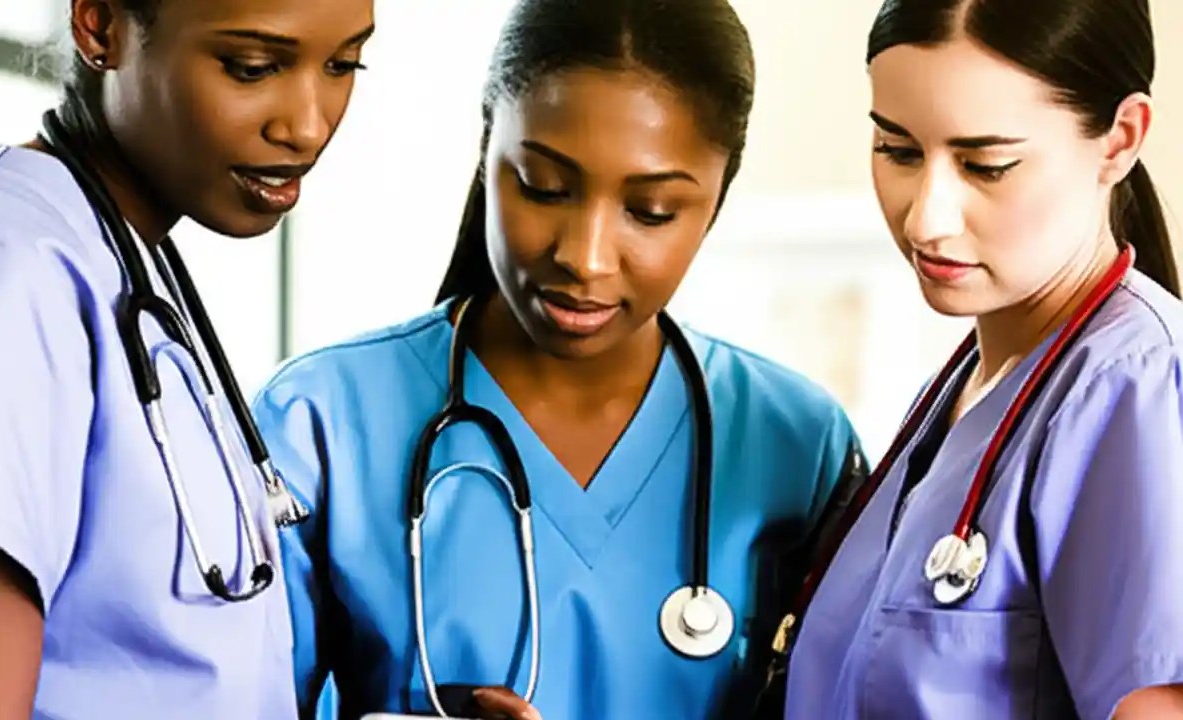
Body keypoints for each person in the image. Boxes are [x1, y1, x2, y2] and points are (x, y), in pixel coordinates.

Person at [253, 1, 868, 718]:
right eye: (544, 188)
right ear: (488, 150)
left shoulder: (799, 445)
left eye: (652, 212)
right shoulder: (320, 422)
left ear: (718, 196)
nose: (584, 257)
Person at [0, 0, 373, 717]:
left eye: (343, 64)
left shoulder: (119, 258)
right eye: (253, 68)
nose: (307, 125)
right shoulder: (1, 266)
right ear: (101, 28)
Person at [783, 0, 1183, 717]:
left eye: (986, 165)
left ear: (1120, 139)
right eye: (899, 152)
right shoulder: (968, 389)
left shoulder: (1132, 382)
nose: (925, 218)